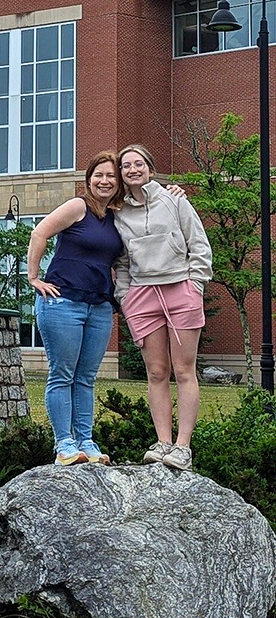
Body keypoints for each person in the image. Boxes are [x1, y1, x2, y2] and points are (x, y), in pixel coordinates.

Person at [113, 144, 213, 471]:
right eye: (126, 166)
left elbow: (198, 245)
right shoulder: (119, 213)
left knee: (184, 370)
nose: (132, 169)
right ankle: (163, 442)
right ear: (121, 174)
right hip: (142, 296)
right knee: (156, 372)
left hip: (180, 289)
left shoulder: (175, 200)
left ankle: (183, 447)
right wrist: (125, 297)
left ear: (150, 169)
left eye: (138, 163)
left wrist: (194, 287)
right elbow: (123, 262)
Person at [27, 152, 124, 465]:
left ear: (118, 182)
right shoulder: (77, 207)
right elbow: (39, 232)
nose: (104, 181)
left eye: (111, 176)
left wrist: (174, 191)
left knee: (86, 377)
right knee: (63, 374)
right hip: (62, 302)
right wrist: (33, 277)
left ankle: (86, 441)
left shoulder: (116, 216)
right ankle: (64, 445)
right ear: (89, 178)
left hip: (98, 306)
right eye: (99, 174)